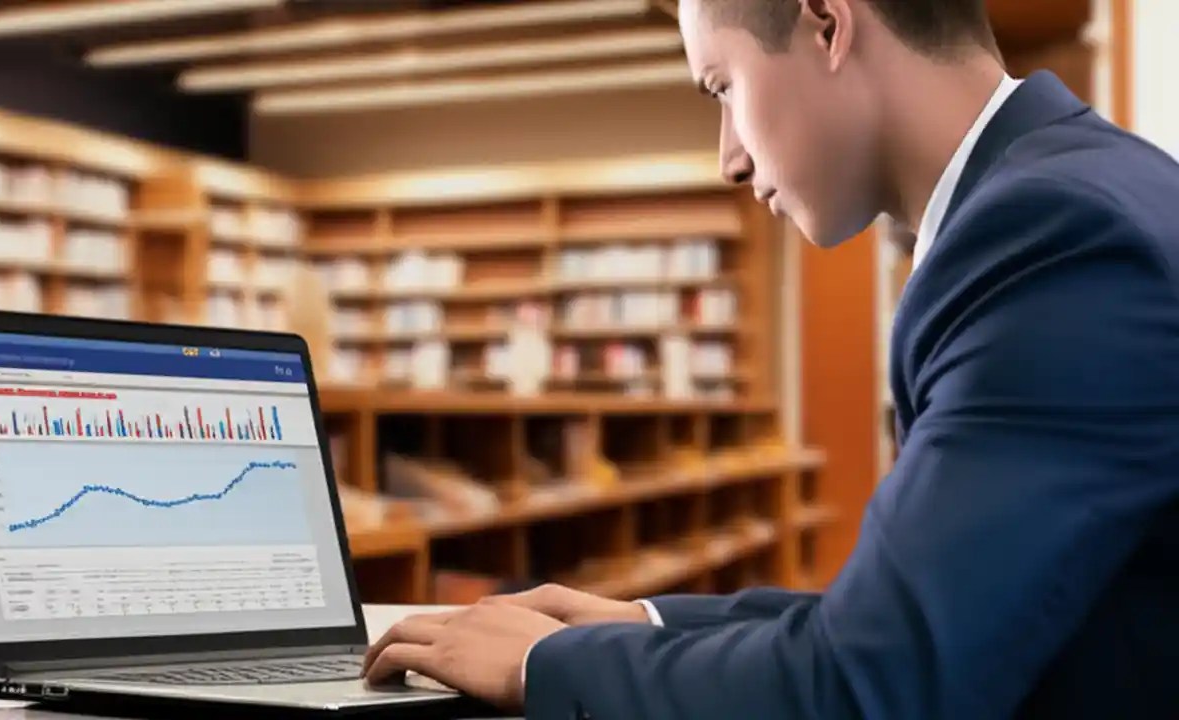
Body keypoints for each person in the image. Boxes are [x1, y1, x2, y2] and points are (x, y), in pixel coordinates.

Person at [361, 0, 1179, 716]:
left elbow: (871, 684)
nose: (729, 157)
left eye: (722, 87)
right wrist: (641, 623)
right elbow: (920, 617)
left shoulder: (1050, 240)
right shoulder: (1082, 190)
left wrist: (545, 665)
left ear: (825, 23)